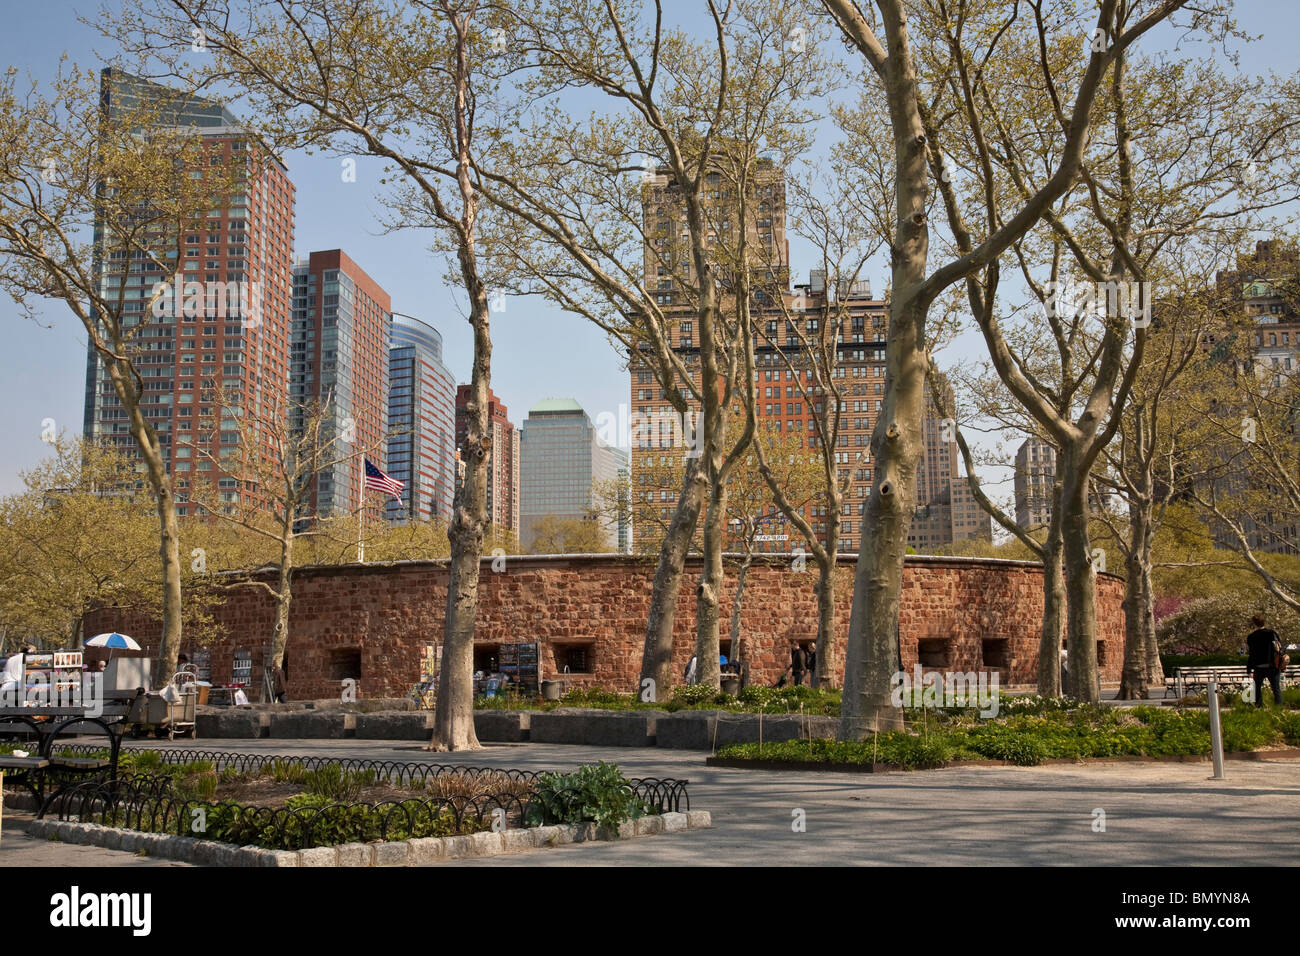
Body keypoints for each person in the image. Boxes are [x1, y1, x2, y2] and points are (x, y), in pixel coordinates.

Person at [1246, 615, 1284, 707]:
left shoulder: (1251, 637)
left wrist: (1249, 669)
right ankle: (1278, 708)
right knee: (1276, 689)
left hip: (1258, 667)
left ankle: (1259, 707)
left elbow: (1251, 654)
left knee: (1257, 689)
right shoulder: (1271, 633)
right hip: (1272, 666)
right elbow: (1278, 648)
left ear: (1254, 624)